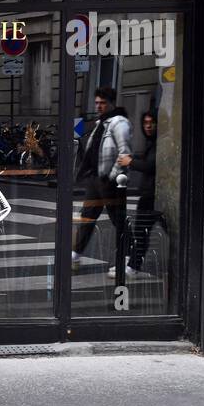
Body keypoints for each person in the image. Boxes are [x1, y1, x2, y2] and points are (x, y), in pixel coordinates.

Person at [71, 86, 132, 276]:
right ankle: (75, 255)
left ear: (111, 103)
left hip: (110, 181)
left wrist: (111, 176)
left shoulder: (119, 123)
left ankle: (127, 258)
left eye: (102, 103)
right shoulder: (101, 123)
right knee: (87, 217)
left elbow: (125, 153)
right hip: (96, 179)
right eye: (97, 102)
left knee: (118, 220)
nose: (98, 106)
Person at [121, 111, 158, 274]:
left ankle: (133, 266)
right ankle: (133, 265)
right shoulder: (151, 142)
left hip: (153, 195)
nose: (148, 126)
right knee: (141, 231)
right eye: (145, 123)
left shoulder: (159, 142)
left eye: (151, 122)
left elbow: (151, 166)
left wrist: (131, 162)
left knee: (141, 231)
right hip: (150, 194)